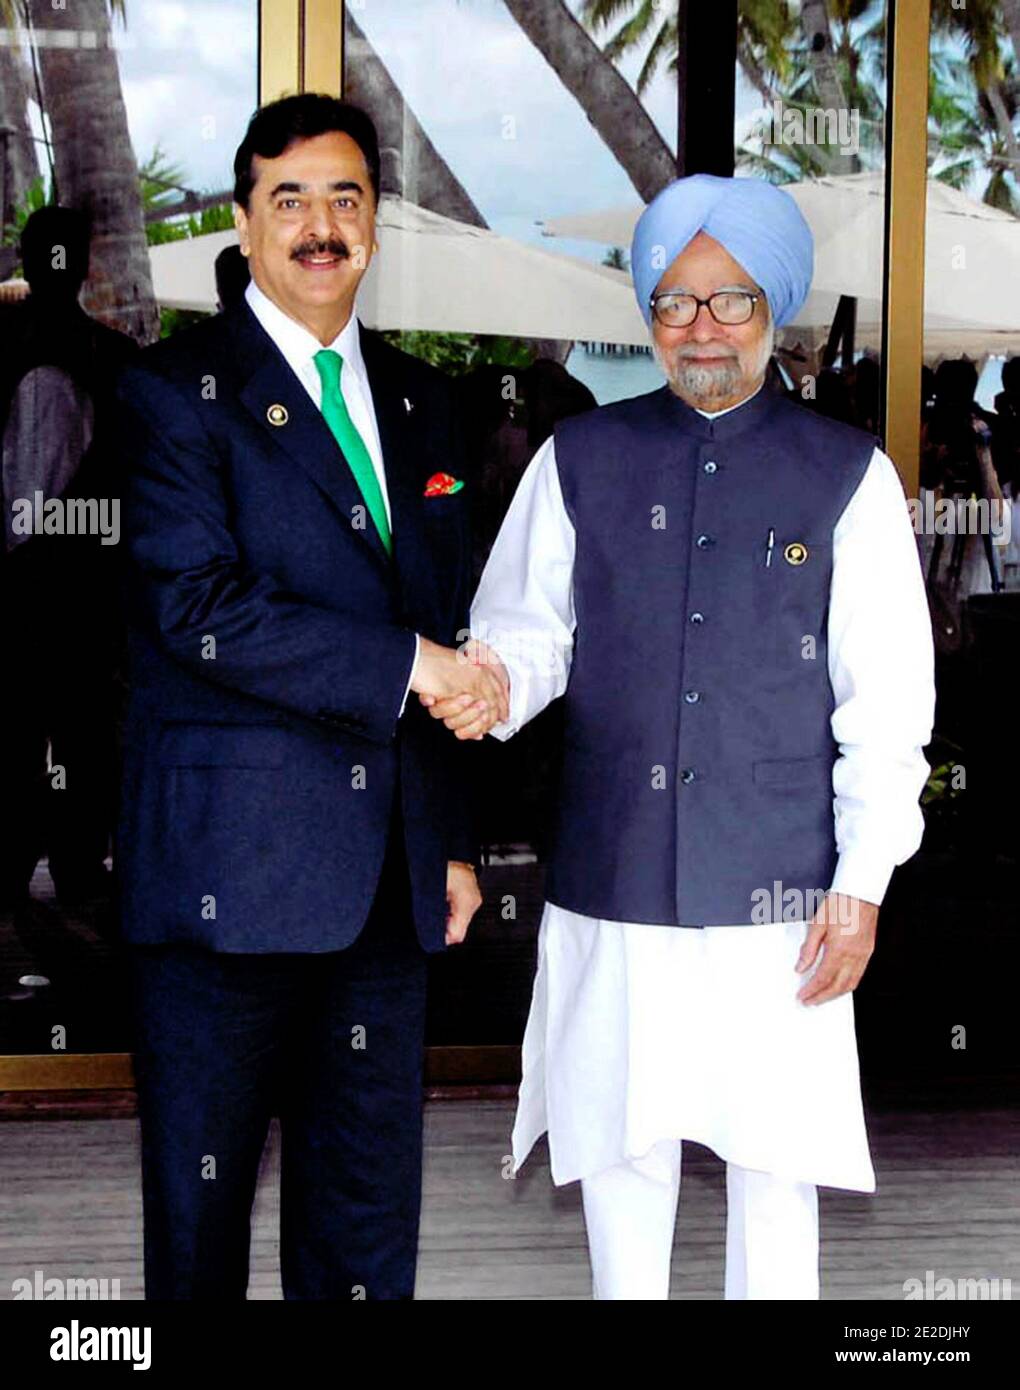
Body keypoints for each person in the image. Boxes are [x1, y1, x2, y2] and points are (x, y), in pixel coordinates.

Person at [422, 174, 936, 1299]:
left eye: (731, 302)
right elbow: (527, 635)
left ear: (775, 312)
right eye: (675, 302)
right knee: (621, 1160)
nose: (700, 329)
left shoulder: (848, 476)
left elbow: (886, 707)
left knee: (771, 1175)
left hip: (782, 898)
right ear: (649, 314)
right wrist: (489, 686)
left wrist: (863, 882)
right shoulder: (579, 458)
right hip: (615, 882)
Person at [115, 94, 507, 1300]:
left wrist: (441, 839)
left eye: (345, 198)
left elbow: (432, 612)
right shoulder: (174, 393)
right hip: (224, 893)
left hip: (383, 897)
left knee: (364, 1225)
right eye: (289, 199)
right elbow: (203, 610)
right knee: (202, 1232)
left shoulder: (421, 401)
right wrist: (410, 666)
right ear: (245, 223)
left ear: (377, 226)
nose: (319, 225)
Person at [0, 206, 136, 912]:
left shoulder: (112, 363)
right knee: (74, 743)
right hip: (80, 601)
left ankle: (47, 870)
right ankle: (70, 870)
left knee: (49, 741)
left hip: (60, 602)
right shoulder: (117, 363)